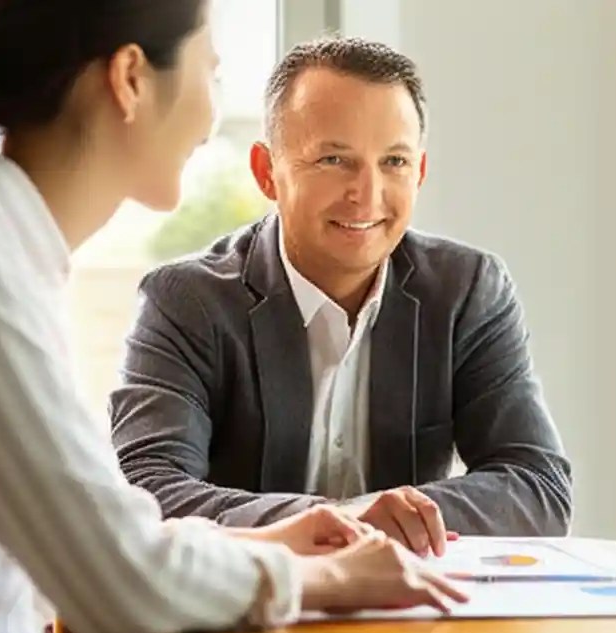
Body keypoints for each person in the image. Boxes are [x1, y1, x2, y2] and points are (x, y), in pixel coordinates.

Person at [0, 3, 466, 633]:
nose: (213, 113)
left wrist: (262, 545)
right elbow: (110, 577)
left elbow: (81, 533)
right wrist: (326, 577)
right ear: (132, 78)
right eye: (211, 69)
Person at [108, 35, 573, 553]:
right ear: (267, 172)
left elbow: (538, 487)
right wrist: (344, 522)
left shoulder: (468, 291)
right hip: (250, 611)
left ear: (419, 172)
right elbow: (147, 494)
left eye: (393, 162)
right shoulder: (185, 301)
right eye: (334, 159)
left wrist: (397, 518)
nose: (367, 194)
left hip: (408, 614)